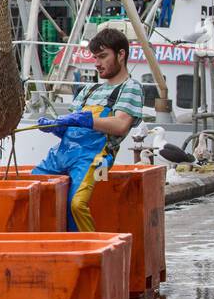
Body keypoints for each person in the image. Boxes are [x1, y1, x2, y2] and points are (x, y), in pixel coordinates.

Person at [33, 27, 145, 231]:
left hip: (95, 158)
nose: (97, 64)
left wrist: (87, 120)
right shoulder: (88, 89)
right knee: (31, 190)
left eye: (103, 57)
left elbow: (120, 125)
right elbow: (71, 125)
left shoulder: (131, 88)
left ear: (121, 55)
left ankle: (90, 249)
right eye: (95, 58)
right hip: (62, 153)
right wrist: (55, 126)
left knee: (76, 204)